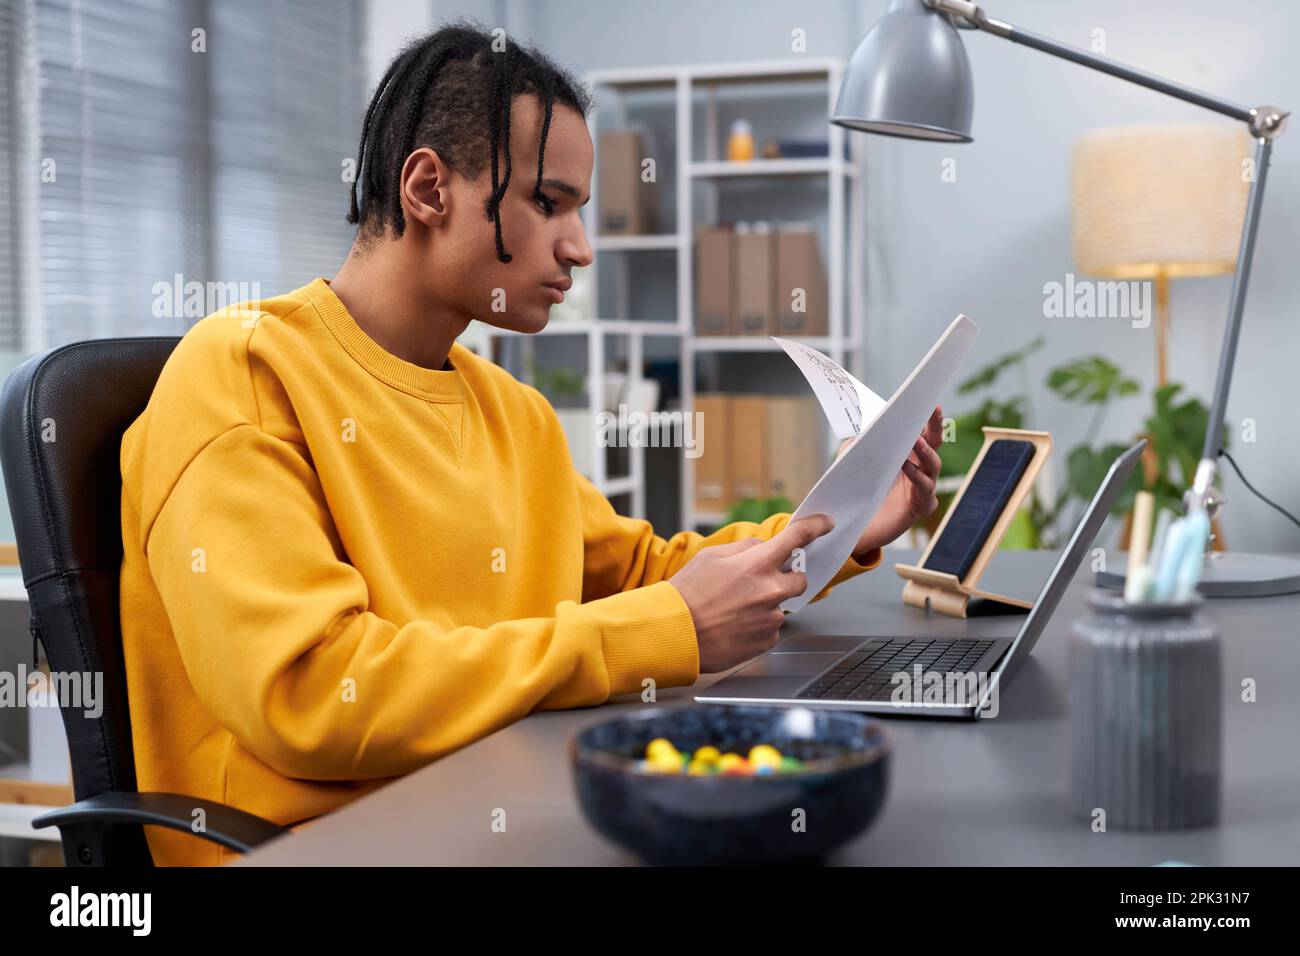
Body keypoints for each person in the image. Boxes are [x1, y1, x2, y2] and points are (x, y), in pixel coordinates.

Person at [118, 22, 943, 866]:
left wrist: (843, 525)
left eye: (579, 210)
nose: (580, 247)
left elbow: (650, 579)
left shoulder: (513, 411)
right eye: (549, 203)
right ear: (429, 188)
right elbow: (312, 694)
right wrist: (651, 630)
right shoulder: (243, 373)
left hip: (506, 799)